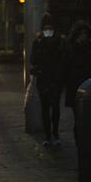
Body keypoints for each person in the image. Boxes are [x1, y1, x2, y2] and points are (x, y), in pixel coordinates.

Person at [28, 12, 66, 148]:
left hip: (53, 78)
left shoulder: (59, 41)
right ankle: (49, 135)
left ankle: (54, 134)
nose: (48, 30)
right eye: (46, 27)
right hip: (46, 78)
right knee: (46, 107)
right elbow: (33, 59)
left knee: (54, 107)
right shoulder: (39, 42)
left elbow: (63, 59)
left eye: (50, 27)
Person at [63, 21, 91, 146]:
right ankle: (82, 143)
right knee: (79, 119)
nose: (84, 37)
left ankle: (88, 142)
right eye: (81, 34)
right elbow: (66, 70)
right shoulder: (72, 51)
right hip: (77, 89)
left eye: (85, 34)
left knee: (90, 118)